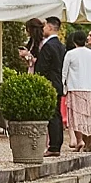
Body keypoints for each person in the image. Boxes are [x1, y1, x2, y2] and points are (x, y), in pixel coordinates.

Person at [62, 31, 91, 152]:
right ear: (85, 40)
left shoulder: (70, 54)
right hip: (90, 87)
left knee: (76, 115)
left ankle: (79, 141)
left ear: (74, 41)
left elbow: (64, 72)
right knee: (90, 114)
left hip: (75, 87)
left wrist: (64, 85)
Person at [35, 16, 66, 155]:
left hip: (50, 83)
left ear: (51, 27)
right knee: (57, 114)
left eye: (45, 26)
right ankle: (57, 143)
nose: (43, 29)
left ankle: (54, 146)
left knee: (53, 114)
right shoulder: (60, 45)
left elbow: (42, 67)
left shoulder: (49, 46)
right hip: (58, 82)